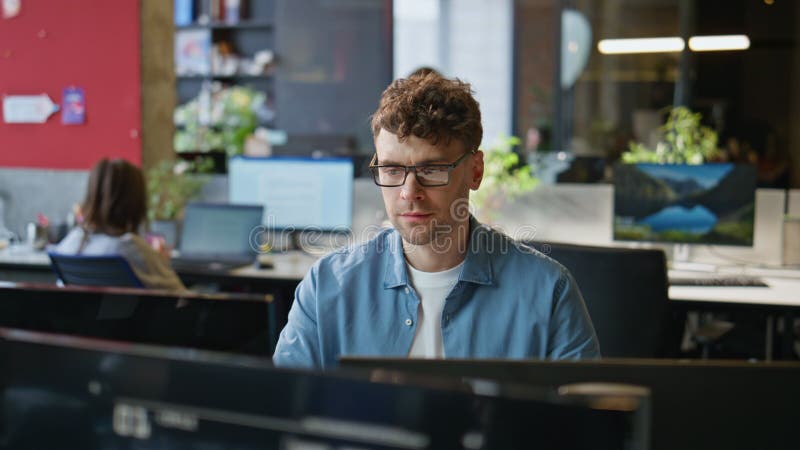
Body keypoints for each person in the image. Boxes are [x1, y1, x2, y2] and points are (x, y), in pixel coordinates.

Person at [273, 72, 599, 369]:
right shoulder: (327, 286)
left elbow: (582, 427)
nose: (408, 192)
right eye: (392, 170)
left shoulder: (547, 291)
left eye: (431, 170)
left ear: (475, 171)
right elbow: (283, 413)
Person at [54, 158, 186, 291]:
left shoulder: (70, 243)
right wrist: (160, 262)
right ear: (135, 201)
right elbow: (182, 298)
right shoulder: (130, 247)